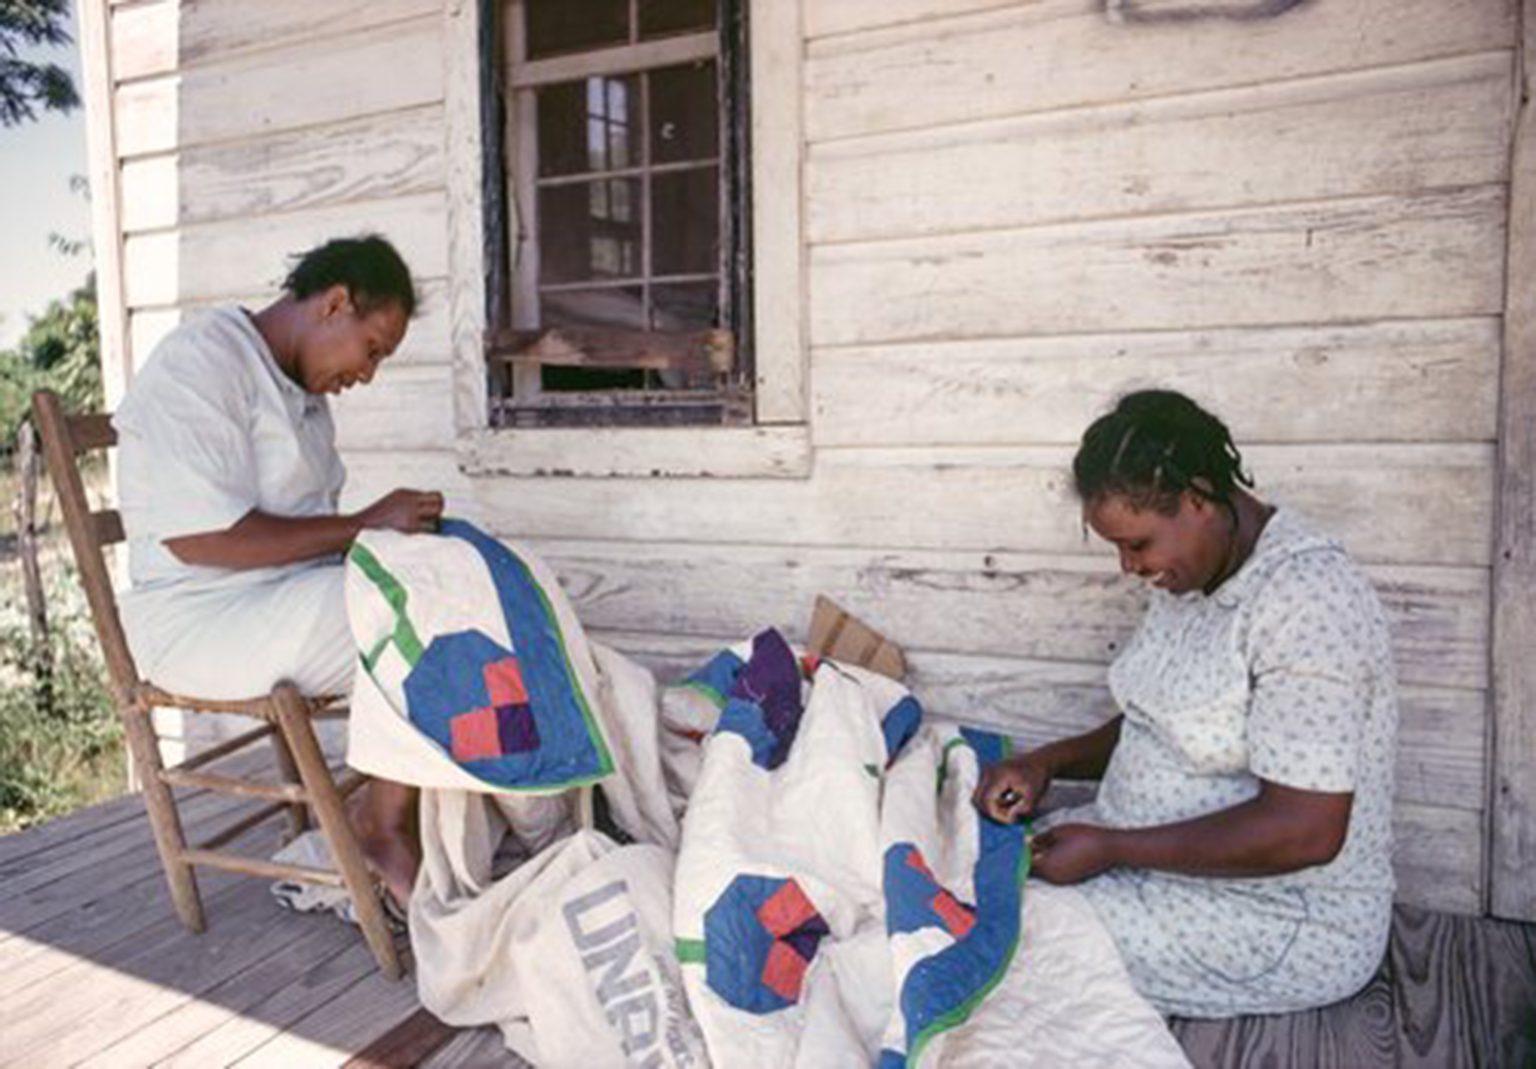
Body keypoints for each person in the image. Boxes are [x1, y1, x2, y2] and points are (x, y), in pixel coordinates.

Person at [974, 389, 1397, 1019]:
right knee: (966, 853)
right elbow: (1163, 719)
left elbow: (1307, 829)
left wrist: (1114, 849)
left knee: (985, 927)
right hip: (1146, 862)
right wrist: (1048, 763)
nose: (1128, 566)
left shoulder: (1308, 604)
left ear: (1199, 498)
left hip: (1277, 918)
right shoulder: (1196, 573)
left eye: (1137, 544)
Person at [114, 234, 442, 908]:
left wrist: (398, 540)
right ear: (335, 304)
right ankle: (381, 828)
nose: (369, 373)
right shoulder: (204, 362)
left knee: (438, 578)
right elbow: (202, 537)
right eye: (373, 348)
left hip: (274, 600)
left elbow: (313, 538)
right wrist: (365, 525)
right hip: (200, 619)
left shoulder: (302, 394)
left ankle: (403, 818)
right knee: (419, 614)